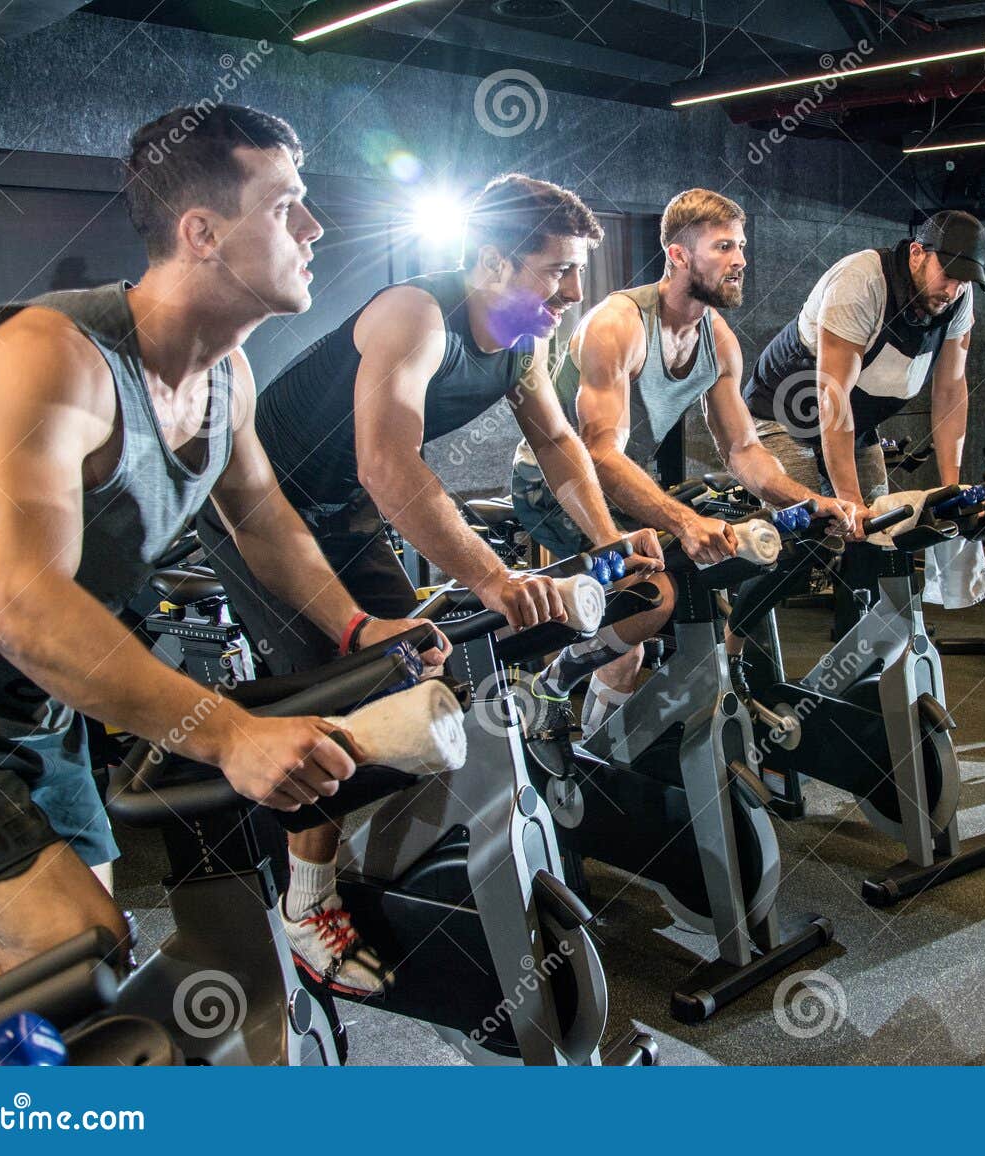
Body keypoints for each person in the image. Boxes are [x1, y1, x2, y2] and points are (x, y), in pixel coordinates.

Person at [0, 104, 444, 1022]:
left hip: (43, 704)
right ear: (201, 232)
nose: (316, 227)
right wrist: (226, 734)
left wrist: (357, 626)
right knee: (76, 961)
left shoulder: (227, 379)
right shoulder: (52, 359)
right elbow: (22, 607)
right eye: (287, 205)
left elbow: (262, 522)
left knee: (77, 972)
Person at [198, 173, 666, 996]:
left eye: (577, 273)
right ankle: (305, 906)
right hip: (260, 509)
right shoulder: (414, 315)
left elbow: (560, 445)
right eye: (558, 269)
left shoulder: (524, 338)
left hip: (342, 512)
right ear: (491, 261)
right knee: (340, 695)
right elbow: (388, 463)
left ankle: (384, 849)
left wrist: (609, 540)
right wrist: (491, 576)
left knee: (417, 681)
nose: (574, 291)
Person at [509, 188, 858, 721]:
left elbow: (743, 448)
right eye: (723, 246)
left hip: (620, 479)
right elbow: (598, 453)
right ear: (678, 255)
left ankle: (619, 753)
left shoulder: (718, 340)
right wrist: (684, 520)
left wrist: (810, 500)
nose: (740, 259)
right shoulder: (618, 324)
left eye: (741, 246)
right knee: (650, 601)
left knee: (706, 583)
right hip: (552, 483)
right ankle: (557, 684)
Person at [730, 210, 985, 653]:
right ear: (917, 254)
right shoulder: (862, 282)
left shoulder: (956, 300)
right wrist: (847, 500)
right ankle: (731, 645)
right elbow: (833, 399)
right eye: (947, 274)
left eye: (964, 280)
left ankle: (857, 667)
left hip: (856, 423)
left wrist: (951, 486)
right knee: (809, 537)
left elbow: (950, 393)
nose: (953, 288)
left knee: (880, 539)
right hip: (783, 414)